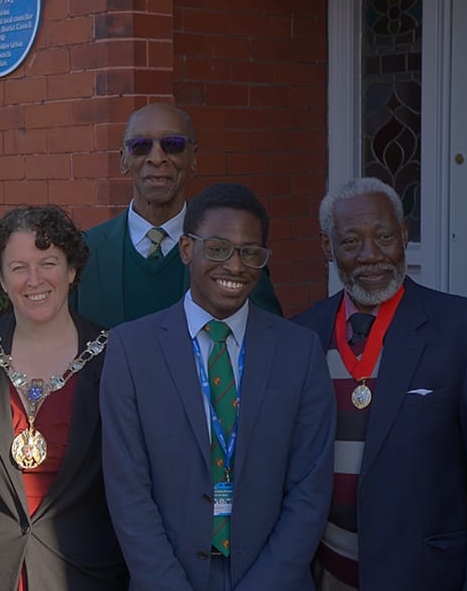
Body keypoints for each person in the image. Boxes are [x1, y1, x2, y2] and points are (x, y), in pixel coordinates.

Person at [100, 182, 334, 590]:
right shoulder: (131, 350)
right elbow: (128, 492)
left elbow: (309, 490)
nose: (236, 266)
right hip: (169, 577)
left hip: (271, 577)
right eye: (219, 248)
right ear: (186, 249)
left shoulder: (300, 351)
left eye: (250, 252)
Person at [291, 177, 467, 591]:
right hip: (325, 574)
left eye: (384, 237)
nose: (372, 256)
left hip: (424, 576)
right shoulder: (302, 334)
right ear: (327, 247)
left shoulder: (464, 331)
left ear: (404, 235)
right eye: (351, 241)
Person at [0, 205, 128, 591]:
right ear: (1, 278)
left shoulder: (114, 357)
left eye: (48, 263)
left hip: (86, 573)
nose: (34, 280)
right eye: (18, 267)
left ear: (71, 271)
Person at [75, 103, 283, 328]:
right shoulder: (85, 252)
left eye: (173, 145)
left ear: (193, 158)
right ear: (123, 159)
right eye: (141, 145)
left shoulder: (235, 252)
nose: (157, 158)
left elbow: (268, 335)